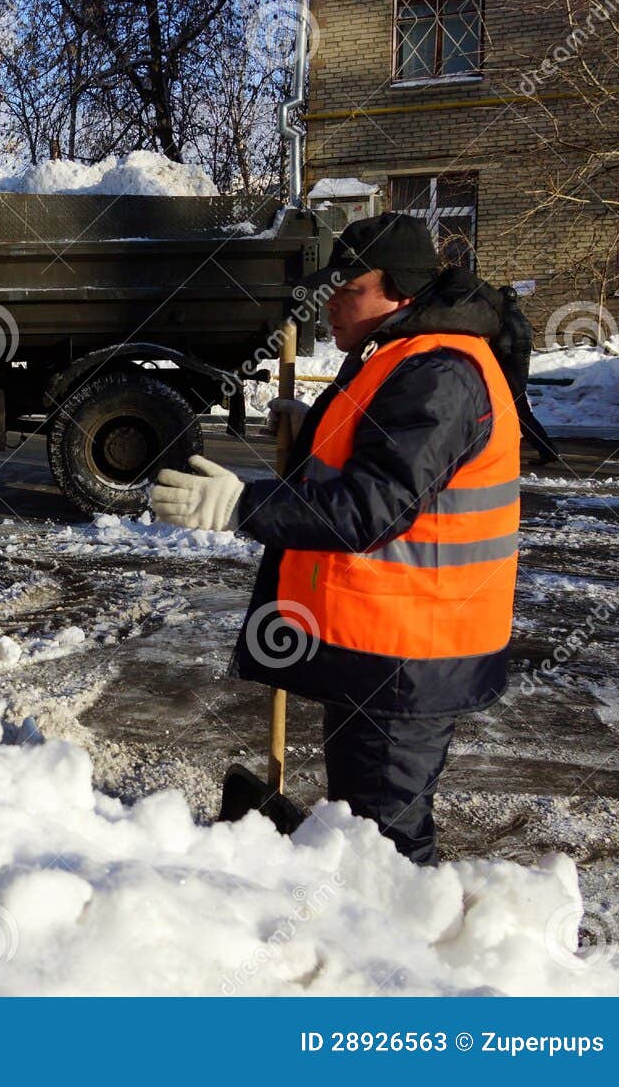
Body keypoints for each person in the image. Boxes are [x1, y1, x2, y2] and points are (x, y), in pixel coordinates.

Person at [150, 213, 521, 865]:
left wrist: (241, 505)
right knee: (364, 824)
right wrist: (316, 422)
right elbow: (381, 462)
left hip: (411, 654)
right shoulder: (400, 354)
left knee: (387, 850)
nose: (330, 307)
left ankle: (401, 957)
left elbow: (368, 508)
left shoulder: (440, 372)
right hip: (382, 645)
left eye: (348, 288)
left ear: (399, 290)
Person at [491, 285, 561, 465]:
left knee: (518, 414)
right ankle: (545, 450)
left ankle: (547, 450)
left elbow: (502, 347)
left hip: (508, 373)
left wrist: (491, 359)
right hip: (520, 371)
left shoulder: (504, 320)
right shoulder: (521, 318)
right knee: (516, 413)